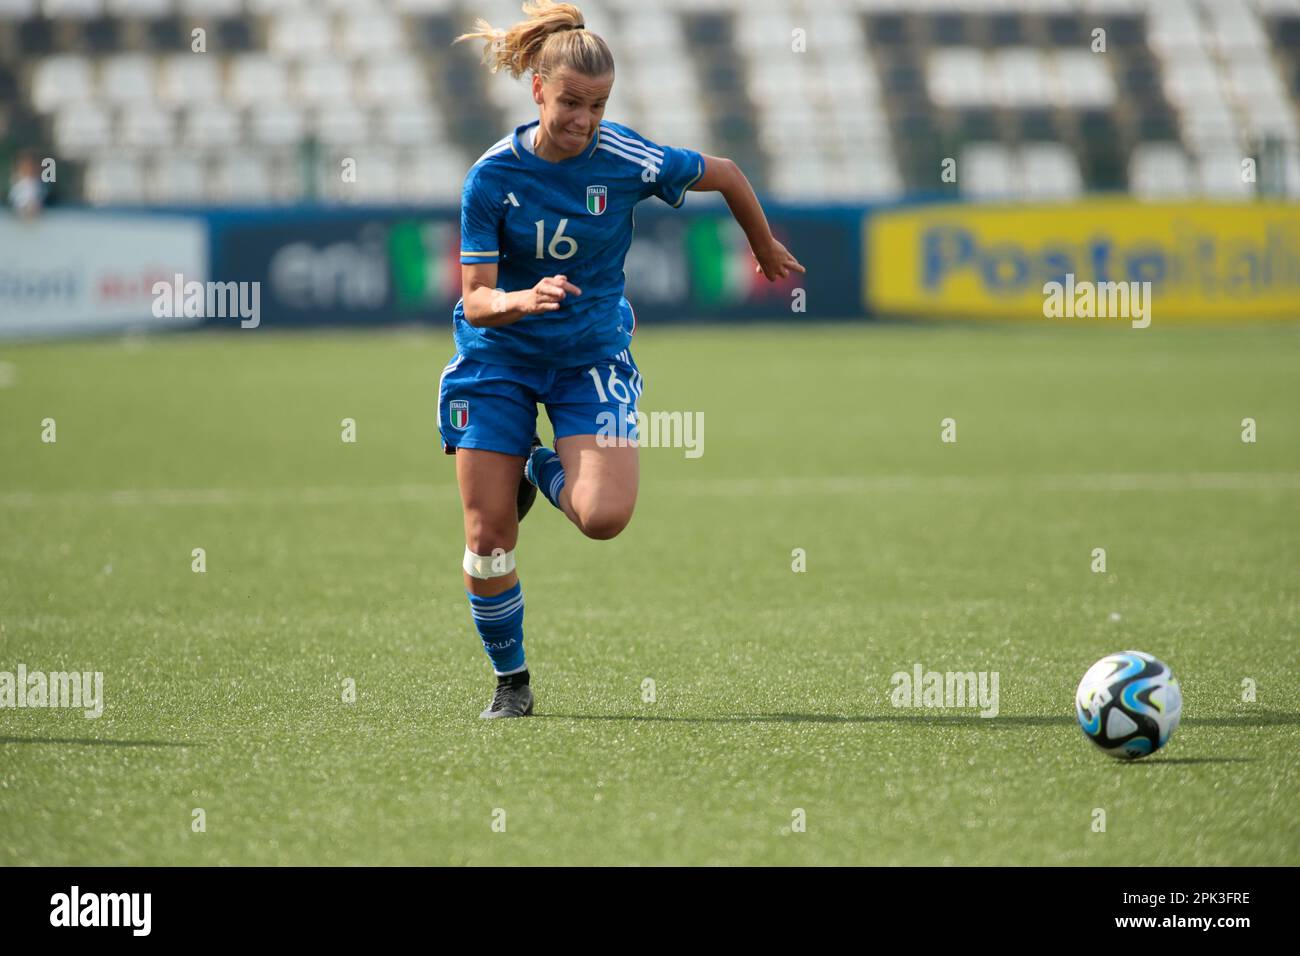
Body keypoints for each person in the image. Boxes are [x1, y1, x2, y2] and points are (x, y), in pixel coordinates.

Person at [443, 0, 804, 718]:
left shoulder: (627, 157)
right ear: (538, 89)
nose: (583, 118)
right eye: (571, 102)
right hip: (498, 358)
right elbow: (477, 299)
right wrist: (522, 299)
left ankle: (532, 465)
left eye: (598, 105)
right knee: (488, 537)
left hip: (590, 357)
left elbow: (727, 173)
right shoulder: (491, 178)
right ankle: (512, 684)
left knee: (604, 516)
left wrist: (762, 247)